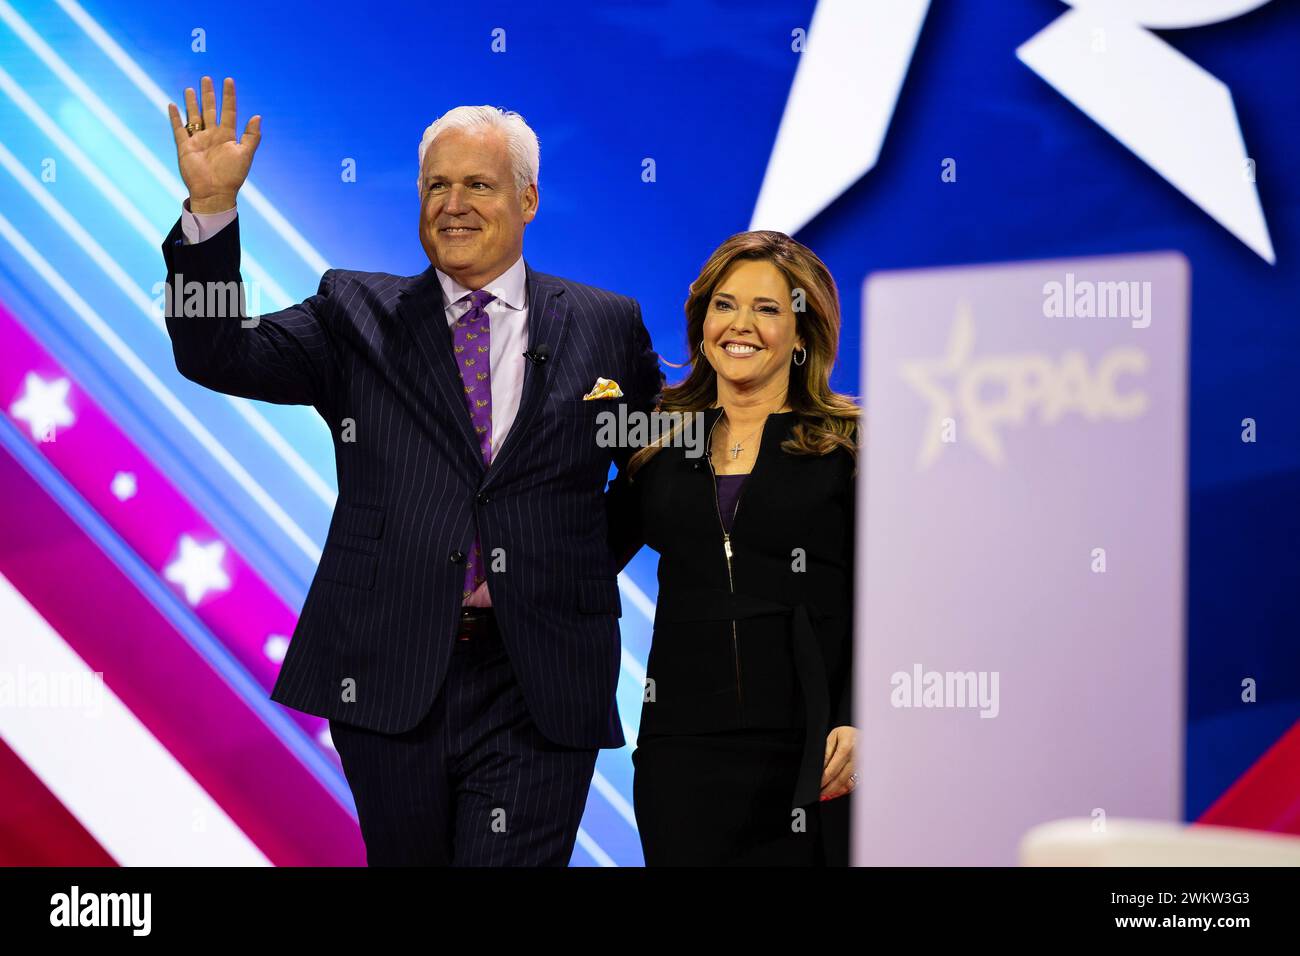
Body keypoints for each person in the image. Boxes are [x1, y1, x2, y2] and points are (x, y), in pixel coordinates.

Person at [162, 77, 663, 865]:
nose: (452, 203)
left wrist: (577, 560)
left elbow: (649, 466)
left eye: (477, 184)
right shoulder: (353, 311)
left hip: (539, 678)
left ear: (528, 200)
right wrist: (212, 211)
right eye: (436, 184)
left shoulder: (606, 324)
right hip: (388, 672)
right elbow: (214, 352)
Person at [607, 230, 859, 866]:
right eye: (725, 304)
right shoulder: (656, 445)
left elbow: (898, 603)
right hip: (681, 756)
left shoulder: (848, 449)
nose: (740, 324)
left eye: (768, 309)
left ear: (803, 335)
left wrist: (865, 718)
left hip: (816, 754)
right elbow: (577, 557)